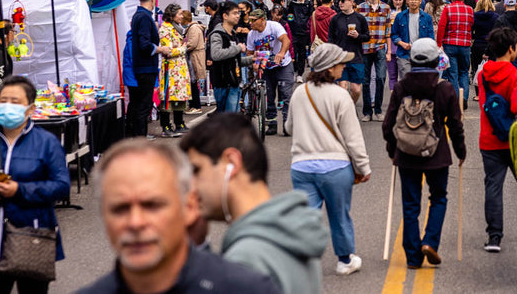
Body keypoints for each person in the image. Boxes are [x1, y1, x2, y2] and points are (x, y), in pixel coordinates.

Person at [80, 139, 279, 294]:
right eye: (120, 209)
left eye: (152, 206)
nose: (136, 222)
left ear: (190, 207)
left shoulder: (248, 289)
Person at [180, 113, 329, 292]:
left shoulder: (247, 258)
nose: (192, 187)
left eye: (197, 170)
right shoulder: (291, 229)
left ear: (232, 163)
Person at [285, 43, 372, 276]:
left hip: (301, 165)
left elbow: (289, 126)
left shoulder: (299, 92)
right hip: (335, 166)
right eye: (340, 63)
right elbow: (353, 137)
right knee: (339, 215)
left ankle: (300, 260)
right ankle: (345, 260)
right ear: (330, 68)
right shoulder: (340, 95)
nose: (344, 65)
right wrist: (363, 167)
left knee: (307, 216)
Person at [382, 38, 467, 270]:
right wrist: (460, 151)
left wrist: (392, 150)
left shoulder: (400, 87)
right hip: (436, 155)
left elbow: (388, 124)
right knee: (438, 198)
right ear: (435, 61)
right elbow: (456, 125)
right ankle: (430, 241)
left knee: (410, 204)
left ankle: (412, 257)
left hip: (406, 154)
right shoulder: (444, 88)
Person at [0, 77, 70, 294]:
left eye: (15, 102)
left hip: (31, 234)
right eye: (3, 100)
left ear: (30, 109)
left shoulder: (46, 143)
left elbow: (61, 186)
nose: (8, 106)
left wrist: (19, 190)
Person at [476, 27, 517, 253]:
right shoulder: (516, 75)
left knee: (493, 187)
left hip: (489, 138)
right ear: (511, 49)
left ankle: (494, 236)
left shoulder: (482, 74)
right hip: (514, 140)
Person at [127, 0, 171, 137]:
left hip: (141, 67)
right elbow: (144, 44)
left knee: (137, 105)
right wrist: (161, 49)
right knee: (143, 106)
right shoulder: (144, 17)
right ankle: (139, 139)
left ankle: (134, 137)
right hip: (146, 67)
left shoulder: (138, 16)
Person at [246, 9, 295, 136]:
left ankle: (287, 125)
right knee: (268, 96)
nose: (250, 23)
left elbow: (286, 40)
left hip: (283, 65)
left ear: (262, 20)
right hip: (266, 67)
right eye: (249, 20)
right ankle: (271, 123)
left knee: (285, 95)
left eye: (253, 20)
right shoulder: (251, 34)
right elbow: (249, 53)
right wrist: (254, 63)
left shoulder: (274, 26)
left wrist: (281, 53)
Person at [327, 0, 370, 106]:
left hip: (356, 57)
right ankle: (344, 111)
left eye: (343, 1)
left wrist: (358, 36)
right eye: (338, 1)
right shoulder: (335, 19)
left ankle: (349, 107)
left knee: (356, 90)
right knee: (343, 87)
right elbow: (330, 38)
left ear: (351, 2)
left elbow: (367, 36)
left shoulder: (360, 18)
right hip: (340, 59)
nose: (340, 3)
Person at [436, 0, 475, 109]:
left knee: (452, 73)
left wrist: (439, 43)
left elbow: (442, 26)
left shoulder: (448, 8)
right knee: (464, 72)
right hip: (465, 44)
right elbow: (471, 25)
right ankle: (464, 98)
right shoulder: (470, 9)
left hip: (450, 44)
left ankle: (456, 99)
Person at [358, 0, 391, 121]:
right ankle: (367, 112)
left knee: (381, 77)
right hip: (365, 48)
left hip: (380, 47)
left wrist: (389, 51)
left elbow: (388, 31)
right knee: (365, 80)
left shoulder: (386, 8)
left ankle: (378, 109)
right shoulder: (360, 8)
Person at [158, 3, 192, 137]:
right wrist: (183, 48)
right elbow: (168, 51)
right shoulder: (165, 29)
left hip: (179, 68)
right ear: (172, 15)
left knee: (179, 97)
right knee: (168, 97)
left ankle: (179, 123)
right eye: (179, 14)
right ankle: (165, 126)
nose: (182, 16)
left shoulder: (177, 28)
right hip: (170, 68)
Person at [209, 1, 247, 113]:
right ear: (225, 16)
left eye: (238, 13)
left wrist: (252, 59)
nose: (238, 16)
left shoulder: (233, 35)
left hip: (234, 82)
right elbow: (216, 54)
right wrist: (238, 48)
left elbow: (235, 59)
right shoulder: (217, 34)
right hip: (223, 84)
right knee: (227, 121)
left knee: (233, 120)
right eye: (235, 13)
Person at [391, 0, 435, 82]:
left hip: (421, 55)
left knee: (421, 82)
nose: (413, 1)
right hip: (404, 54)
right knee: (407, 82)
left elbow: (431, 37)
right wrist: (401, 43)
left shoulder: (426, 18)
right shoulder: (400, 16)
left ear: (420, 1)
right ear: (407, 1)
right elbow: (394, 34)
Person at [470, 0, 499, 97]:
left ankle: (478, 93)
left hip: (478, 43)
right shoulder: (496, 17)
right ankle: (490, 91)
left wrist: (475, 36)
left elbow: (471, 30)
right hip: (492, 45)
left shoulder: (475, 16)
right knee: (492, 70)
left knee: (477, 69)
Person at [181, 10, 207, 115]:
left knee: (193, 82)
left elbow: (192, 44)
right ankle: (193, 105)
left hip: (195, 57)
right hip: (194, 56)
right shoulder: (193, 28)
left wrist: (181, 47)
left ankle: (196, 106)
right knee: (192, 82)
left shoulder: (194, 29)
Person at [286, 0, 314, 79]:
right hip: (294, 31)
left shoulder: (309, 3)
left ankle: (300, 74)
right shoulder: (293, 3)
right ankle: (294, 71)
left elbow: (311, 17)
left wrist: (308, 27)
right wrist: (291, 23)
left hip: (304, 32)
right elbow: (289, 15)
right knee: (294, 52)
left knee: (302, 53)